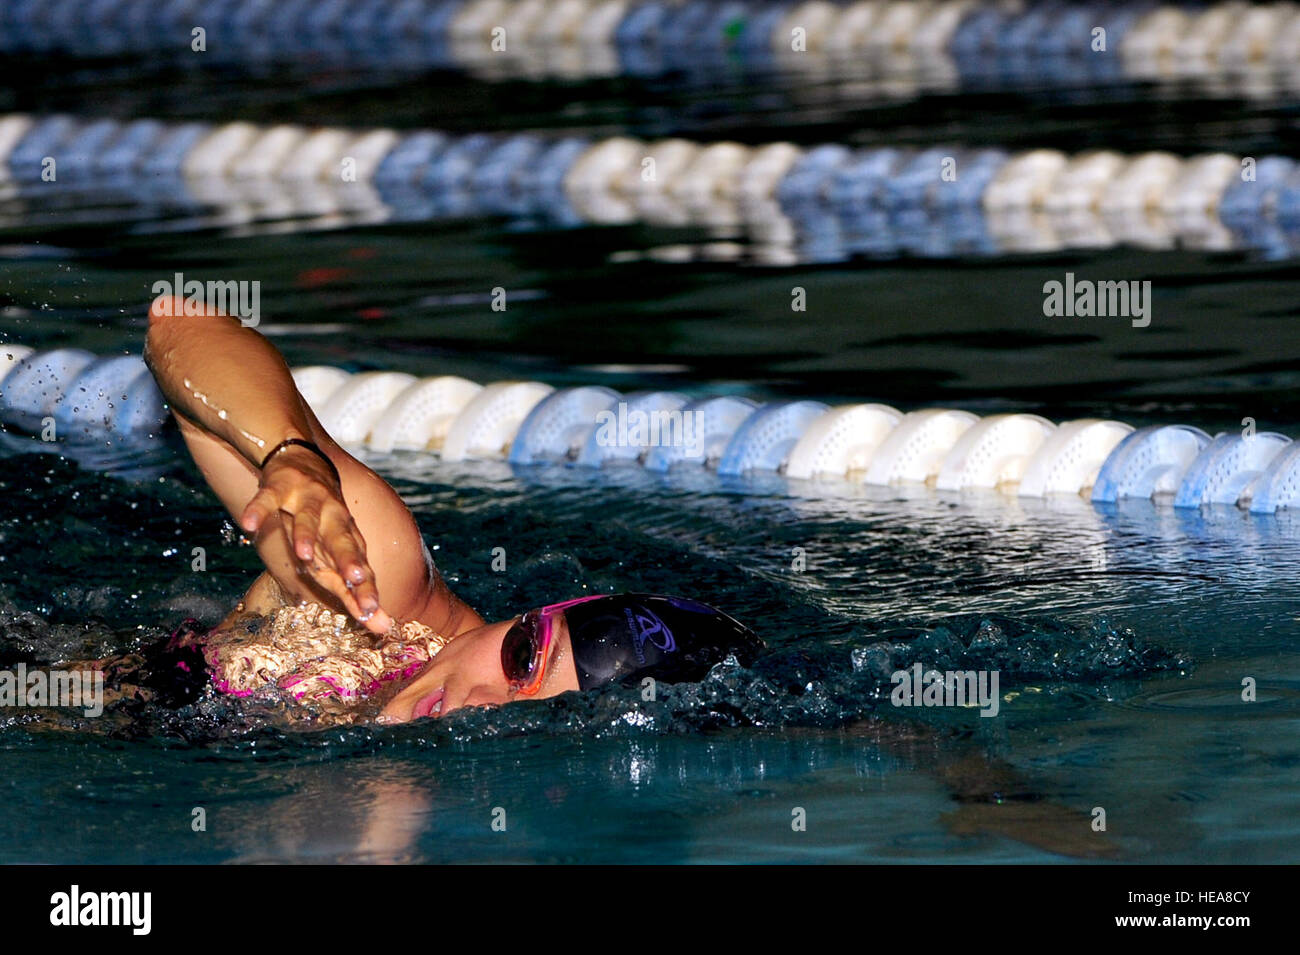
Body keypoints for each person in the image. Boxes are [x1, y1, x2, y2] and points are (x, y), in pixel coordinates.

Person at [138, 296, 762, 724]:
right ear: (532, 613)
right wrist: (290, 452)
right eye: (522, 658)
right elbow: (179, 325)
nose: (485, 703)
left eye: (544, 710)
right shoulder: (377, 590)